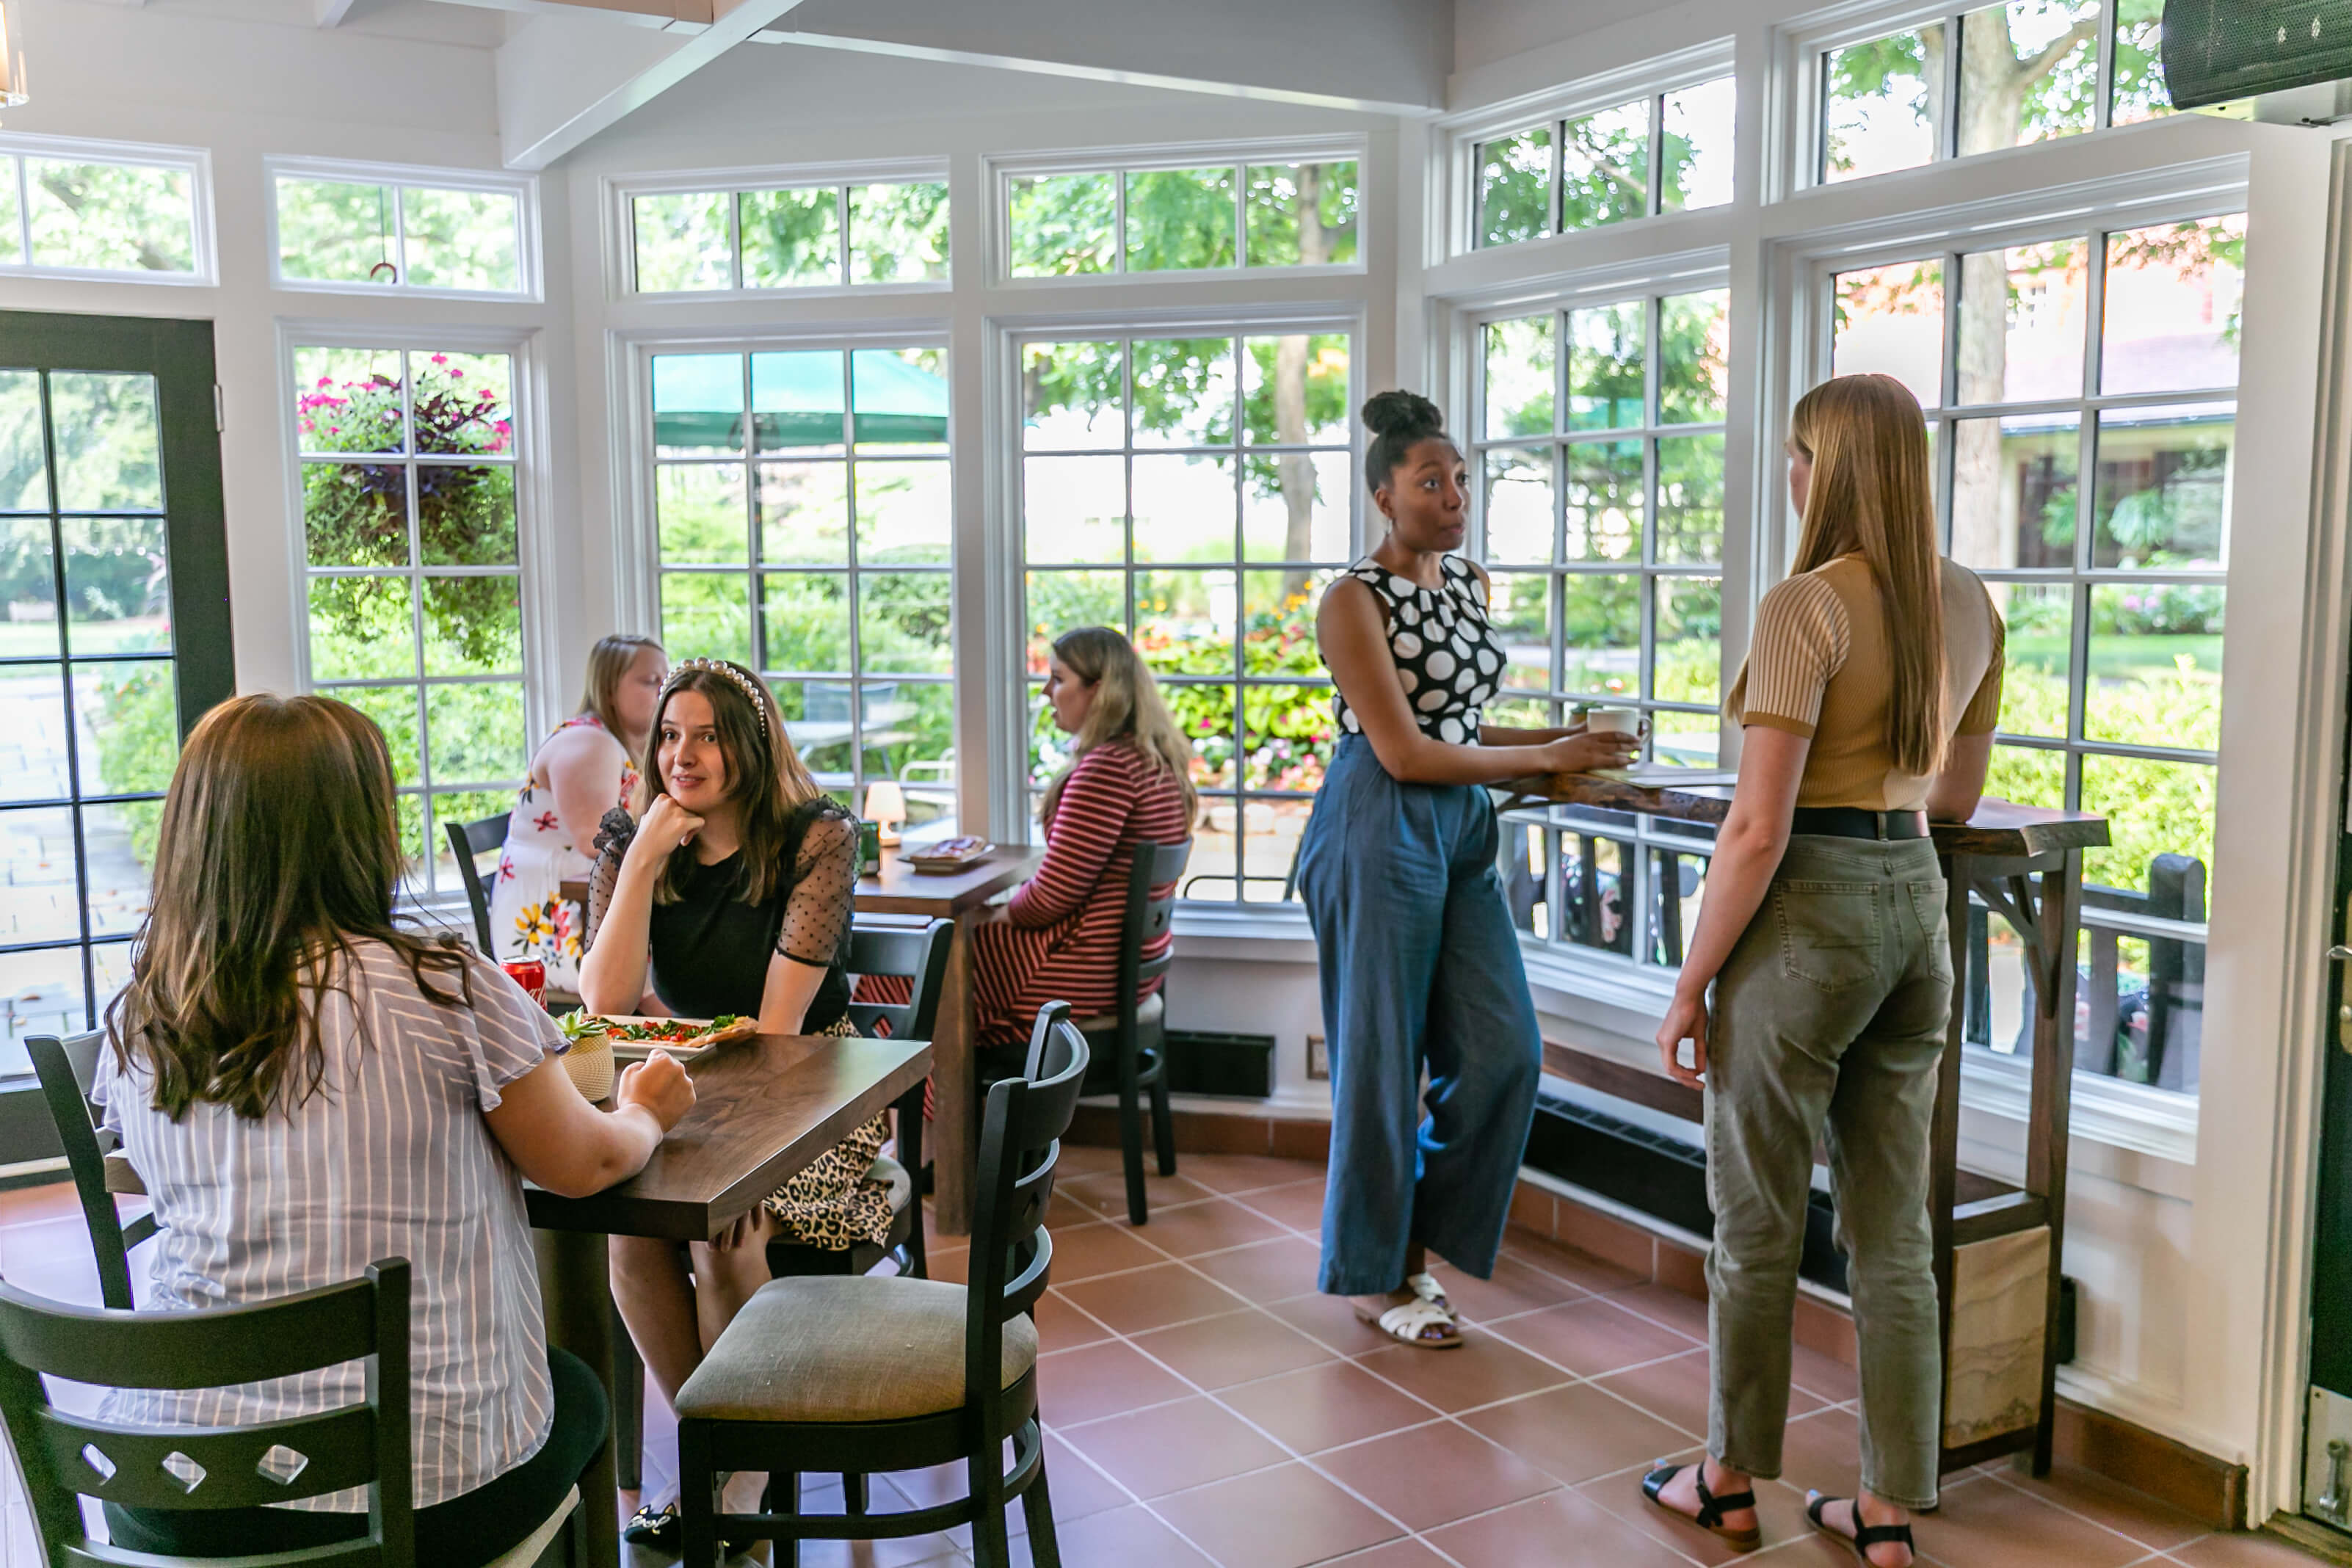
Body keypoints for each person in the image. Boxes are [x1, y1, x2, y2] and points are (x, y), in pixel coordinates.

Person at [92, 694, 696, 1566]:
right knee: (579, 1394)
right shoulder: (439, 988)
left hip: (176, 1486)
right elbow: (583, 1164)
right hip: (420, 1495)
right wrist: (646, 1111)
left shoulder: (145, 1014)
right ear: (358, 830)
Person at [1640, 374, 2004, 1567]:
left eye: (1795, 453)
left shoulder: (1804, 606)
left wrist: (1691, 981)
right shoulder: (1966, 605)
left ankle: (1726, 1478)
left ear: (1828, 466)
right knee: (1892, 1227)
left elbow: (1754, 827)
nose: (1788, 472)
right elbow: (1952, 794)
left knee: (1754, 1221)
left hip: (1808, 913)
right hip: (1913, 906)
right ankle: (1886, 1510)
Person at [1299, 390, 1640, 1350]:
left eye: (1461, 480)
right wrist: (1548, 760)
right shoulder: (1350, 600)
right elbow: (1404, 751)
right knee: (1380, 1060)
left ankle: (1415, 1240)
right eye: (1431, 480)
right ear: (1383, 494)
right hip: (1377, 819)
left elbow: (1460, 728)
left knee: (1503, 1049)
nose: (1453, 496)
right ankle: (1378, 1274)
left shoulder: (1463, 585)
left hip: (1460, 827)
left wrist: (1570, 741)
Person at [577, 656, 878, 1545]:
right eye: (669, 735)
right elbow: (601, 1002)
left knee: (725, 1233)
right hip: (686, 1091)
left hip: (814, 1091)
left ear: (748, 745)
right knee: (631, 1237)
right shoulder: (634, 835)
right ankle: (716, 1455)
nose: (684, 754)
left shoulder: (815, 837)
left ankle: (739, 1487)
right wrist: (637, 866)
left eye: (707, 736)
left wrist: (671, 1027)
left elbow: (781, 1030)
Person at [966, 625, 1196, 1043]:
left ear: (1099, 690)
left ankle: (918, 1109)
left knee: (913, 971)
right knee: (942, 981)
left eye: (1057, 678)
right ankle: (960, 1103)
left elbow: (1054, 896)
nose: (1044, 692)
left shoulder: (1107, 769)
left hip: (1083, 967)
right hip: (1122, 964)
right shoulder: (1153, 762)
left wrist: (1001, 914)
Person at [487, 633, 666, 990]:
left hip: (588, 899)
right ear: (610, 689)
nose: (664, 691)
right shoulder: (588, 743)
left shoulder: (621, 743)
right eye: (651, 682)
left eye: (667, 679)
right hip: (554, 918)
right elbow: (597, 842)